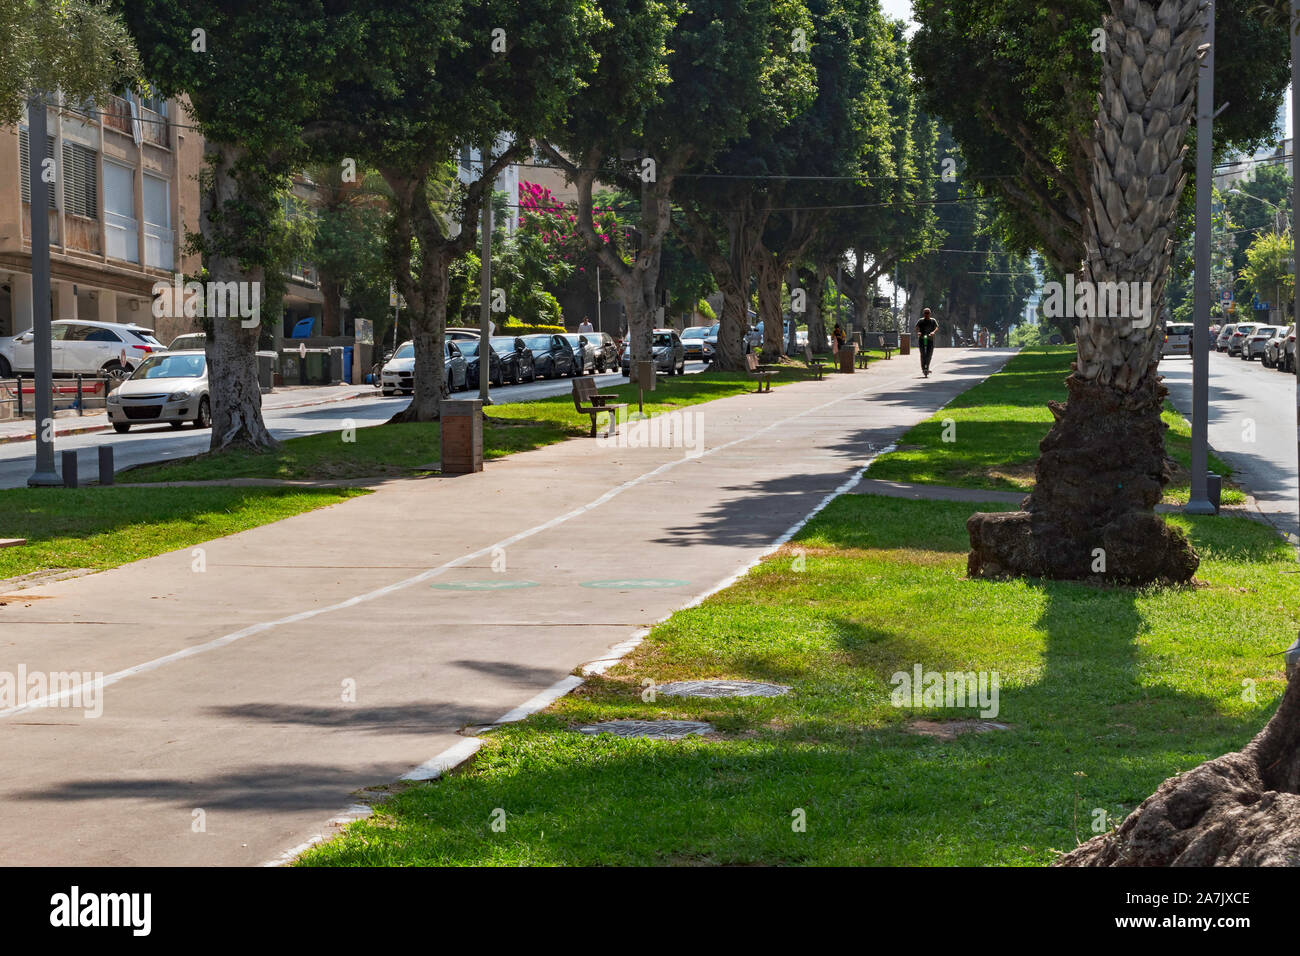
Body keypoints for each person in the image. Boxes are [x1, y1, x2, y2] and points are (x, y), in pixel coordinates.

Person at [915, 308, 938, 376]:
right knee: (923, 354)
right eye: (925, 313)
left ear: (930, 314)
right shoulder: (921, 320)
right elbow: (916, 327)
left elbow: (936, 327)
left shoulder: (933, 320)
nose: (926, 314)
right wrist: (918, 332)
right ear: (923, 313)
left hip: (930, 339)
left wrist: (933, 332)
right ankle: (923, 368)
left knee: (929, 354)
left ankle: (927, 367)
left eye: (928, 313)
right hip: (922, 339)